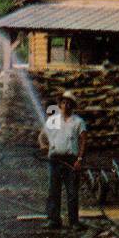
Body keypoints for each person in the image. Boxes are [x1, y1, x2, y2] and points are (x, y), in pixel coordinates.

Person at [38, 90, 87, 229]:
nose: (66, 105)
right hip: (55, 160)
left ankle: (73, 222)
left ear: (72, 106)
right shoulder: (53, 120)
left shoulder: (78, 122)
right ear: (59, 105)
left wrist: (80, 159)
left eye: (69, 103)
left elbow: (83, 140)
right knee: (54, 191)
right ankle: (54, 220)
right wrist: (43, 145)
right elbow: (42, 136)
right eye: (63, 102)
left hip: (71, 159)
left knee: (72, 192)